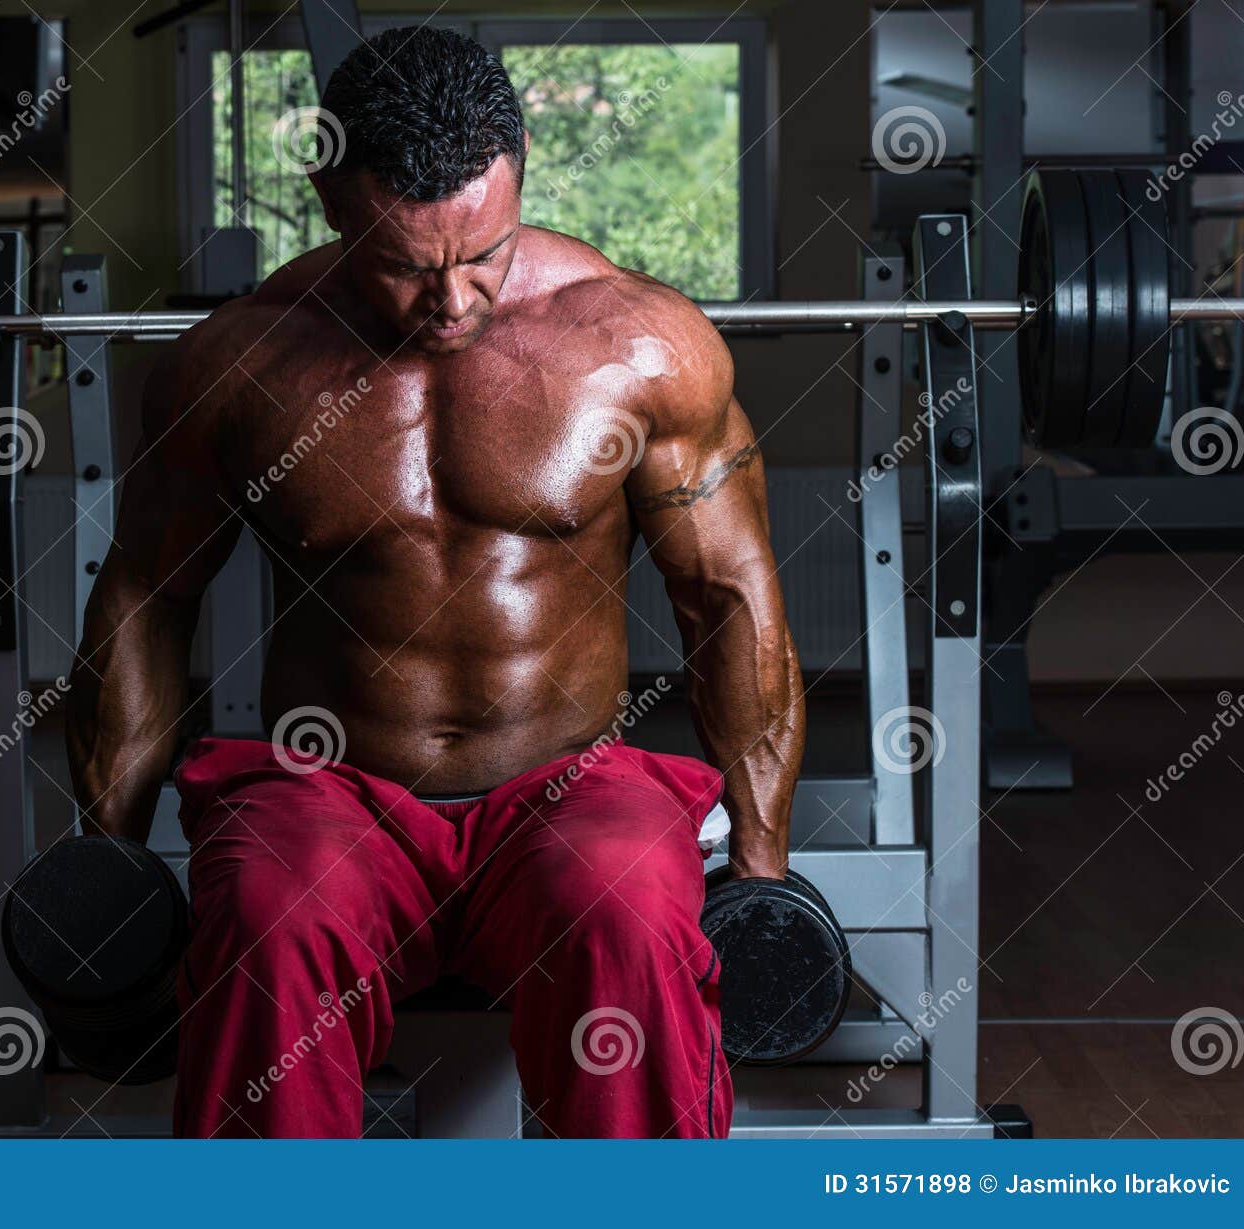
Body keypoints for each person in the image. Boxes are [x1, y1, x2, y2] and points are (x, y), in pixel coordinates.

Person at [66, 25, 804, 1139]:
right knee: (267, 920)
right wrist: (111, 863)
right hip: (332, 789)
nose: (452, 300)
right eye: (406, 265)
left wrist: (760, 867)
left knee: (628, 918)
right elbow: (146, 599)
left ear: (520, 177)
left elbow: (728, 595)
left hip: (568, 785)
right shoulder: (239, 365)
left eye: (484, 253)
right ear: (329, 201)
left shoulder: (638, 348)